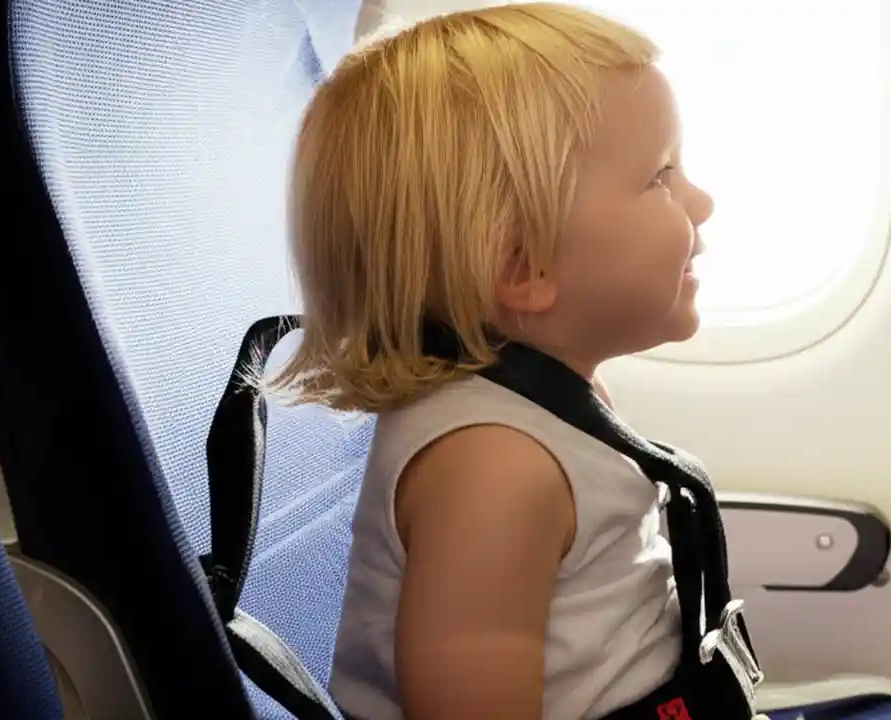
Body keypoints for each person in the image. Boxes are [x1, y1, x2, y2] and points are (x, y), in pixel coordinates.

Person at [268, 4, 725, 719]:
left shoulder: (545, 403)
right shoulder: (494, 468)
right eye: (661, 177)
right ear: (523, 265)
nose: (702, 202)